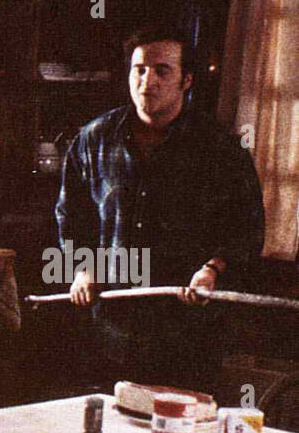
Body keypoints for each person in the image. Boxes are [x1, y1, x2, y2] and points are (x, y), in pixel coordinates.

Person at [55, 27, 265, 394]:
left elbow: (245, 231)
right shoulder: (94, 140)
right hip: (110, 329)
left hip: (186, 333)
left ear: (187, 80)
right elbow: (71, 216)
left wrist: (212, 271)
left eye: (162, 70)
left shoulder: (220, 150)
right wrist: (83, 268)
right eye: (139, 69)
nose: (147, 81)